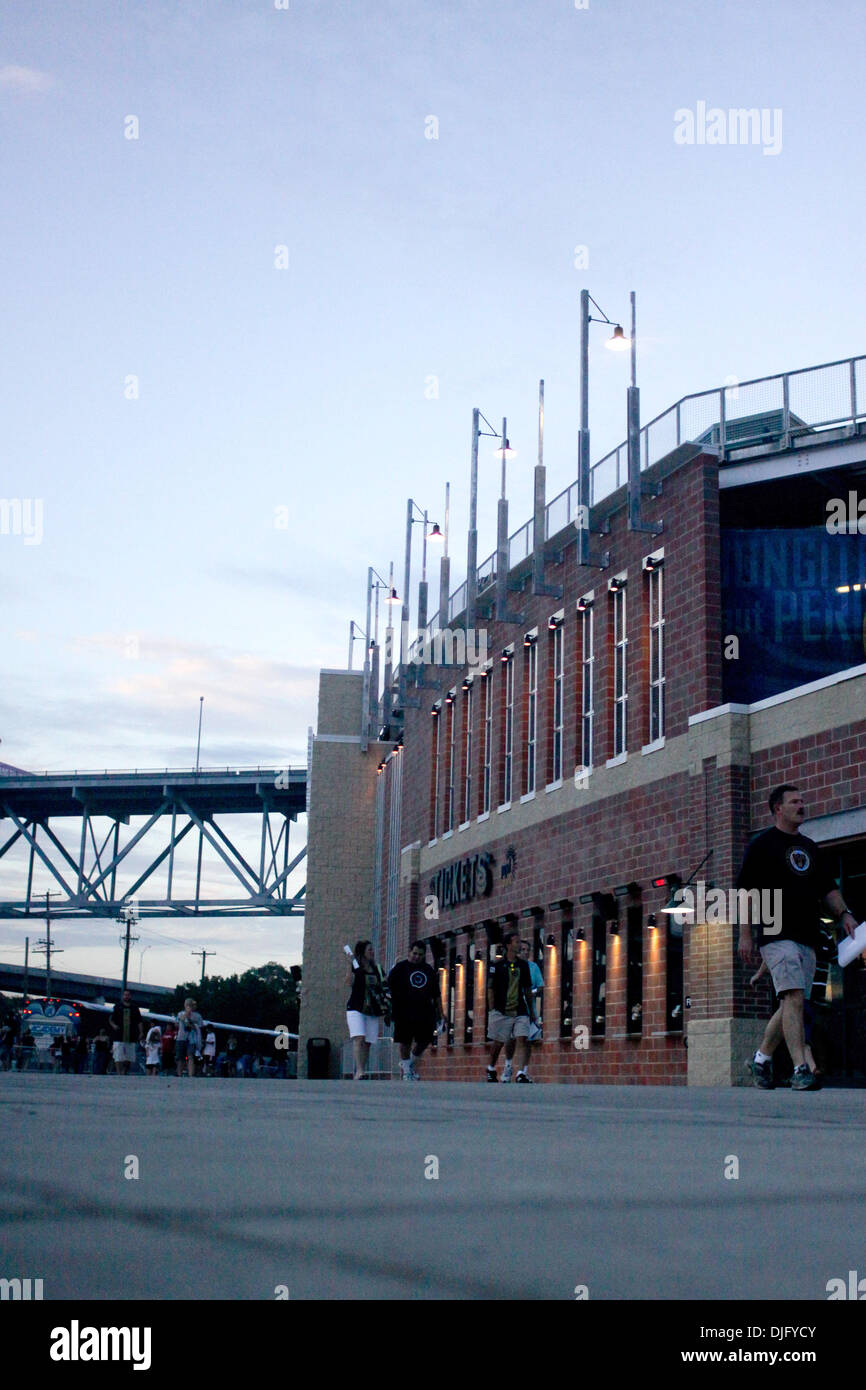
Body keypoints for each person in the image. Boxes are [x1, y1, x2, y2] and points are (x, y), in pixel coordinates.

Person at [738, 784, 858, 1091]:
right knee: (792, 997)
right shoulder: (762, 845)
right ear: (778, 808)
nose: (802, 805)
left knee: (793, 1002)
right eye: (795, 801)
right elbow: (746, 893)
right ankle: (800, 1069)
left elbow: (828, 888)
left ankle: (761, 1059)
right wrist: (746, 935)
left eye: (803, 800)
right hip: (776, 931)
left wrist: (844, 913)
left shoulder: (810, 847)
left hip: (807, 935)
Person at [387, 942, 443, 1080]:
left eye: (420, 955)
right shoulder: (400, 968)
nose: (417, 957)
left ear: (424, 955)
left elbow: (436, 994)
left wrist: (441, 1013)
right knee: (404, 1041)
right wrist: (388, 1009)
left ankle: (408, 1064)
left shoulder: (428, 970)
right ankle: (407, 1072)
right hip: (403, 1011)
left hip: (424, 1011)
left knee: (425, 1040)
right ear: (409, 952)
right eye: (415, 953)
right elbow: (388, 990)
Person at [486, 931, 534, 1082]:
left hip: (520, 1008)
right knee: (499, 1042)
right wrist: (492, 1008)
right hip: (502, 1009)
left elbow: (526, 989)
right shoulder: (497, 966)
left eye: (520, 942)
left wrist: (531, 1010)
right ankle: (491, 1068)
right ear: (508, 945)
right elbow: (490, 987)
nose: (519, 945)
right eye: (516, 942)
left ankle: (521, 1072)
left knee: (523, 1038)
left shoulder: (523, 965)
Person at [345, 940, 388, 1080]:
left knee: (368, 1042)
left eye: (372, 950)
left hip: (372, 1009)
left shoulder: (377, 969)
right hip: (356, 1007)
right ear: (362, 952)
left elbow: (385, 984)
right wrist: (349, 967)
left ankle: (362, 1068)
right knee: (359, 1038)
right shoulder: (356, 967)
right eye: (369, 950)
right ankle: (360, 1071)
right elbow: (348, 983)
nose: (372, 952)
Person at [502, 940, 544, 1082]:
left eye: (528, 950)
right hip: (512, 1008)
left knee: (526, 1040)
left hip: (528, 1009)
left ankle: (522, 1071)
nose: (526, 952)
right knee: (511, 1039)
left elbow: (540, 986)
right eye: (523, 949)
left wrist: (533, 992)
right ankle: (508, 1065)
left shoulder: (533, 967)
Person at [109, 990, 145, 1075]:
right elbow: (111, 1019)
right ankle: (119, 1072)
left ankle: (125, 1071)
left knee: (129, 1056)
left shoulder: (135, 1008)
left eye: (128, 995)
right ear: (123, 996)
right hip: (119, 1035)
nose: (126, 996)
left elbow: (139, 1021)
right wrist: (114, 1026)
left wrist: (141, 1032)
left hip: (131, 1035)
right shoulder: (117, 1006)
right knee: (118, 1055)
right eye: (125, 995)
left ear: (130, 996)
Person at [175, 998, 203, 1078]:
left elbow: (200, 1026)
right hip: (181, 1037)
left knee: (190, 1056)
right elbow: (177, 1023)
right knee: (180, 1057)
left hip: (192, 1039)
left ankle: (190, 1074)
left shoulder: (197, 1016)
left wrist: (192, 1024)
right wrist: (187, 1013)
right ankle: (179, 1074)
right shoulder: (180, 1014)